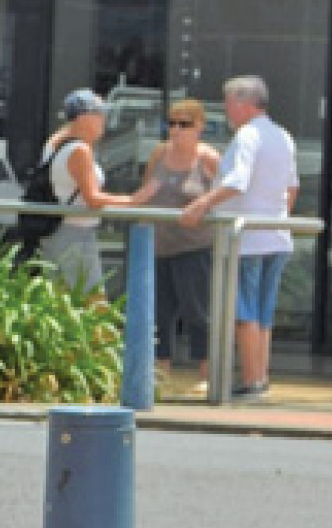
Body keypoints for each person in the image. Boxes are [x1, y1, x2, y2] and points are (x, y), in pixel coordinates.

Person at [177, 74, 299, 398]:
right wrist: (277, 216)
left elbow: (237, 182)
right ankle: (260, 379)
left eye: (229, 102)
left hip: (247, 238)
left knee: (244, 313)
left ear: (243, 104)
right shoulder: (282, 136)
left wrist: (201, 203)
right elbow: (292, 187)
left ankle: (251, 381)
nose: (227, 110)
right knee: (262, 313)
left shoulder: (247, 137)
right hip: (275, 235)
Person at [130, 97, 222, 383]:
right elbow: (145, 193)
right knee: (159, 312)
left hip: (194, 247)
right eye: (171, 123)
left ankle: (206, 375)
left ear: (200, 127)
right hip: (159, 245)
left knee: (197, 312)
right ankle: (158, 374)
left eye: (184, 124)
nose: (176, 130)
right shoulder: (160, 154)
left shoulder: (208, 159)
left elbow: (224, 197)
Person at [35, 88, 121, 294]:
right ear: (83, 117)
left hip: (56, 231)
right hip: (76, 234)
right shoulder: (79, 149)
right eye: (99, 114)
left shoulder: (56, 141)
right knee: (94, 302)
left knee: (61, 300)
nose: (103, 120)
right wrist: (136, 200)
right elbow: (92, 197)